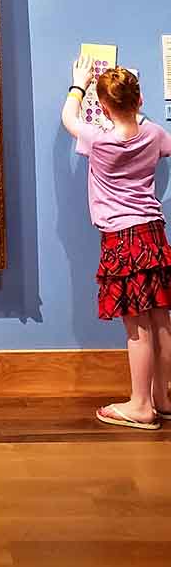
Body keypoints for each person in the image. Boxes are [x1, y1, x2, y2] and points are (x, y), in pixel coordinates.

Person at [61, 57, 171, 429]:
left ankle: (141, 406)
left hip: (122, 238)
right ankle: (162, 396)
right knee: (161, 320)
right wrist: (136, 116)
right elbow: (163, 146)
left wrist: (78, 84)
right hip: (153, 232)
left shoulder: (97, 138)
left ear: (104, 107)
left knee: (136, 328)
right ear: (139, 101)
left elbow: (69, 120)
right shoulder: (154, 134)